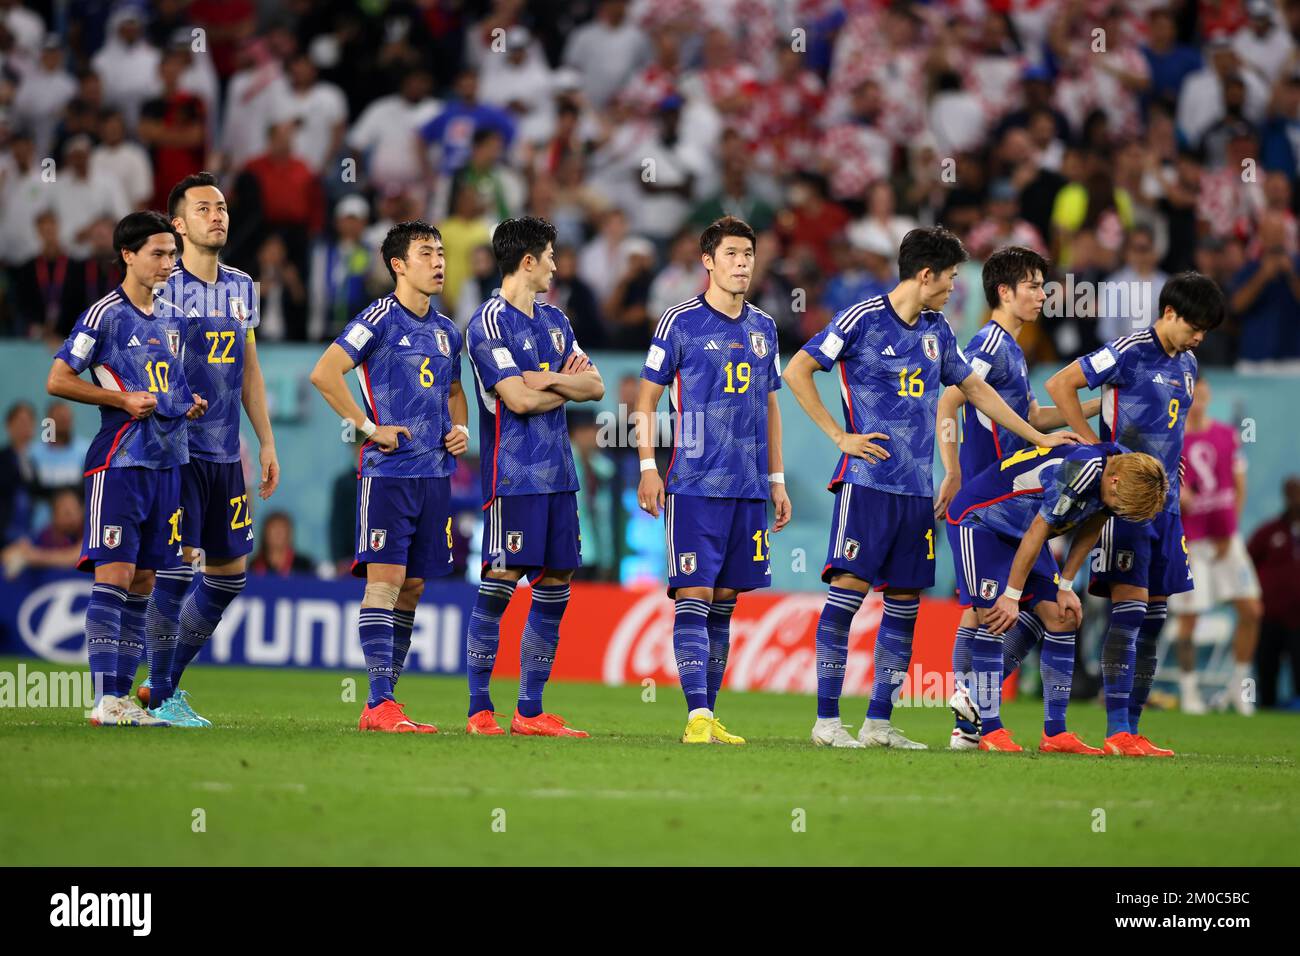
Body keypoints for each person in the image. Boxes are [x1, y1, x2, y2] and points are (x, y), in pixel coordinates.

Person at [783, 226, 1080, 750]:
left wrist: (1035, 434)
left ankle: (878, 723)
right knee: (847, 598)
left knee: (903, 606)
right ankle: (827, 720)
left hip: (917, 493)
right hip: (867, 483)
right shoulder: (861, 319)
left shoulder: (938, 329)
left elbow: (971, 388)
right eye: (948, 281)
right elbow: (798, 369)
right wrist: (839, 435)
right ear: (925, 276)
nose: (952, 291)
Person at [1047, 271, 1227, 757]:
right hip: (1125, 504)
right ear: (1169, 312)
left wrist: (1177, 462)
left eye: (1206, 329)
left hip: (1165, 509)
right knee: (1127, 615)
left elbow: (1170, 426)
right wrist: (1095, 446)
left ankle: (1133, 728)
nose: (1200, 336)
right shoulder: (1127, 350)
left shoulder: (1188, 365)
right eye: (1196, 325)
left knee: (1155, 618)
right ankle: (1116, 731)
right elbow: (1061, 383)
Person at [45, 210, 208, 727]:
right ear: (128, 255)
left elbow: (166, 385)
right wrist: (116, 400)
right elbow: (58, 378)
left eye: (171, 254)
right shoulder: (105, 315)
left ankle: (120, 704)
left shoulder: (171, 317)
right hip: (119, 463)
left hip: (167, 464)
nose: (168, 263)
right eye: (158, 253)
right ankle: (106, 699)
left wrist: (187, 402)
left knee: (142, 581)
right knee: (114, 575)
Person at [934, 246, 1100, 749]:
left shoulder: (1013, 348)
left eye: (1042, 285)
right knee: (985, 611)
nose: (1041, 294)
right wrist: (953, 469)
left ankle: (994, 718)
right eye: (1031, 285)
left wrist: (1101, 404)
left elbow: (1032, 416)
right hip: (987, 503)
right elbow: (950, 396)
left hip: (1020, 502)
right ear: (1004, 292)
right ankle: (977, 712)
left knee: (1058, 613)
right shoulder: (988, 341)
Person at [634, 216, 791, 745]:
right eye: (731, 254)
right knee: (694, 592)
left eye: (748, 253)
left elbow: (771, 407)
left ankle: (708, 715)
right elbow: (647, 397)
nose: (742, 263)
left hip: (748, 487)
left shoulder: (765, 327)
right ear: (708, 261)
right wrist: (648, 467)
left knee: (726, 599)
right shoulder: (678, 322)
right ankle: (696, 715)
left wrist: (777, 479)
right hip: (694, 482)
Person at [311, 220, 469, 733]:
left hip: (435, 474)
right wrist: (366, 427)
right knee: (385, 582)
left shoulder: (446, 330)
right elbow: (324, 372)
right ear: (398, 264)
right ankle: (379, 702)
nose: (439, 261)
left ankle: (386, 701)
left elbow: (452, 391)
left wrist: (461, 428)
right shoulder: (378, 318)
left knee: (414, 585)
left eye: (442, 252)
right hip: (389, 473)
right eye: (427, 253)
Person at [135, 172, 278, 727]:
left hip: (226, 451)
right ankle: (161, 693)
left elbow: (250, 370)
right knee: (175, 571)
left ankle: (161, 684)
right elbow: (138, 359)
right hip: (176, 450)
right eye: (203, 209)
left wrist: (265, 441)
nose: (217, 215)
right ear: (178, 223)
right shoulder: (160, 287)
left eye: (220, 207)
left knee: (229, 576)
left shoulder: (243, 286)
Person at [464, 216, 604, 737]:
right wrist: (562, 383)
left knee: (556, 585)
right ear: (527, 261)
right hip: (512, 475)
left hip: (559, 476)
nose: (554, 264)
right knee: (500, 582)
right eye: (549, 255)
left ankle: (529, 711)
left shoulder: (557, 321)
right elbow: (516, 402)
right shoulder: (487, 323)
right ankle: (480, 709)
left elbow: (595, 388)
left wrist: (546, 377)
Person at [946, 444, 1167, 752]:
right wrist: (1011, 595)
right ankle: (988, 730)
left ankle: (1054, 733)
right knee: (995, 618)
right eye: (1117, 501)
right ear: (1113, 481)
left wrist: (1065, 584)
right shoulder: (1083, 470)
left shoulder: (1123, 468)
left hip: (1023, 532)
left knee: (1063, 617)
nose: (1115, 507)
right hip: (981, 522)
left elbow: (1094, 523)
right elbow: (1040, 529)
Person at [1170, 377, 1261, 714]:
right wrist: (1177, 493)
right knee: (1189, 619)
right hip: (1192, 542)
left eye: (1204, 391)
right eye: (1194, 393)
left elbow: (1239, 486)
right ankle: (1189, 689)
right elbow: (1163, 489)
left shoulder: (1226, 435)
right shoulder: (1173, 439)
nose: (1200, 397)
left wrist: (1230, 529)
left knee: (1252, 610)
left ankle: (1238, 686)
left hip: (1226, 538)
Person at [1247, 476, 1300, 708]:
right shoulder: (1269, 532)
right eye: (1291, 493)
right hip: (1270, 615)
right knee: (1267, 668)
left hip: (1298, 618)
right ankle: (1264, 711)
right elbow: (1247, 564)